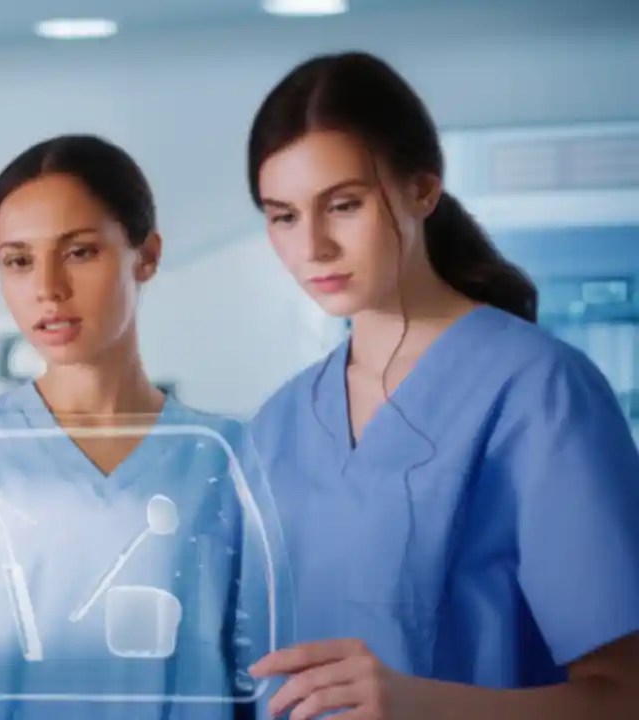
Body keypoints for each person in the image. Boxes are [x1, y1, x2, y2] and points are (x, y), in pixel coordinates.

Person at [243, 51, 639, 719]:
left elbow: (625, 694)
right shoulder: (278, 424)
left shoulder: (540, 392)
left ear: (423, 190)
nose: (312, 246)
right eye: (283, 216)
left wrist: (418, 704)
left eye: (343, 205)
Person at [0, 135, 278, 720]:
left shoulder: (226, 459)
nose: (47, 288)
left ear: (146, 255)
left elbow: (270, 680)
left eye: (79, 253)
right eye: (19, 260)